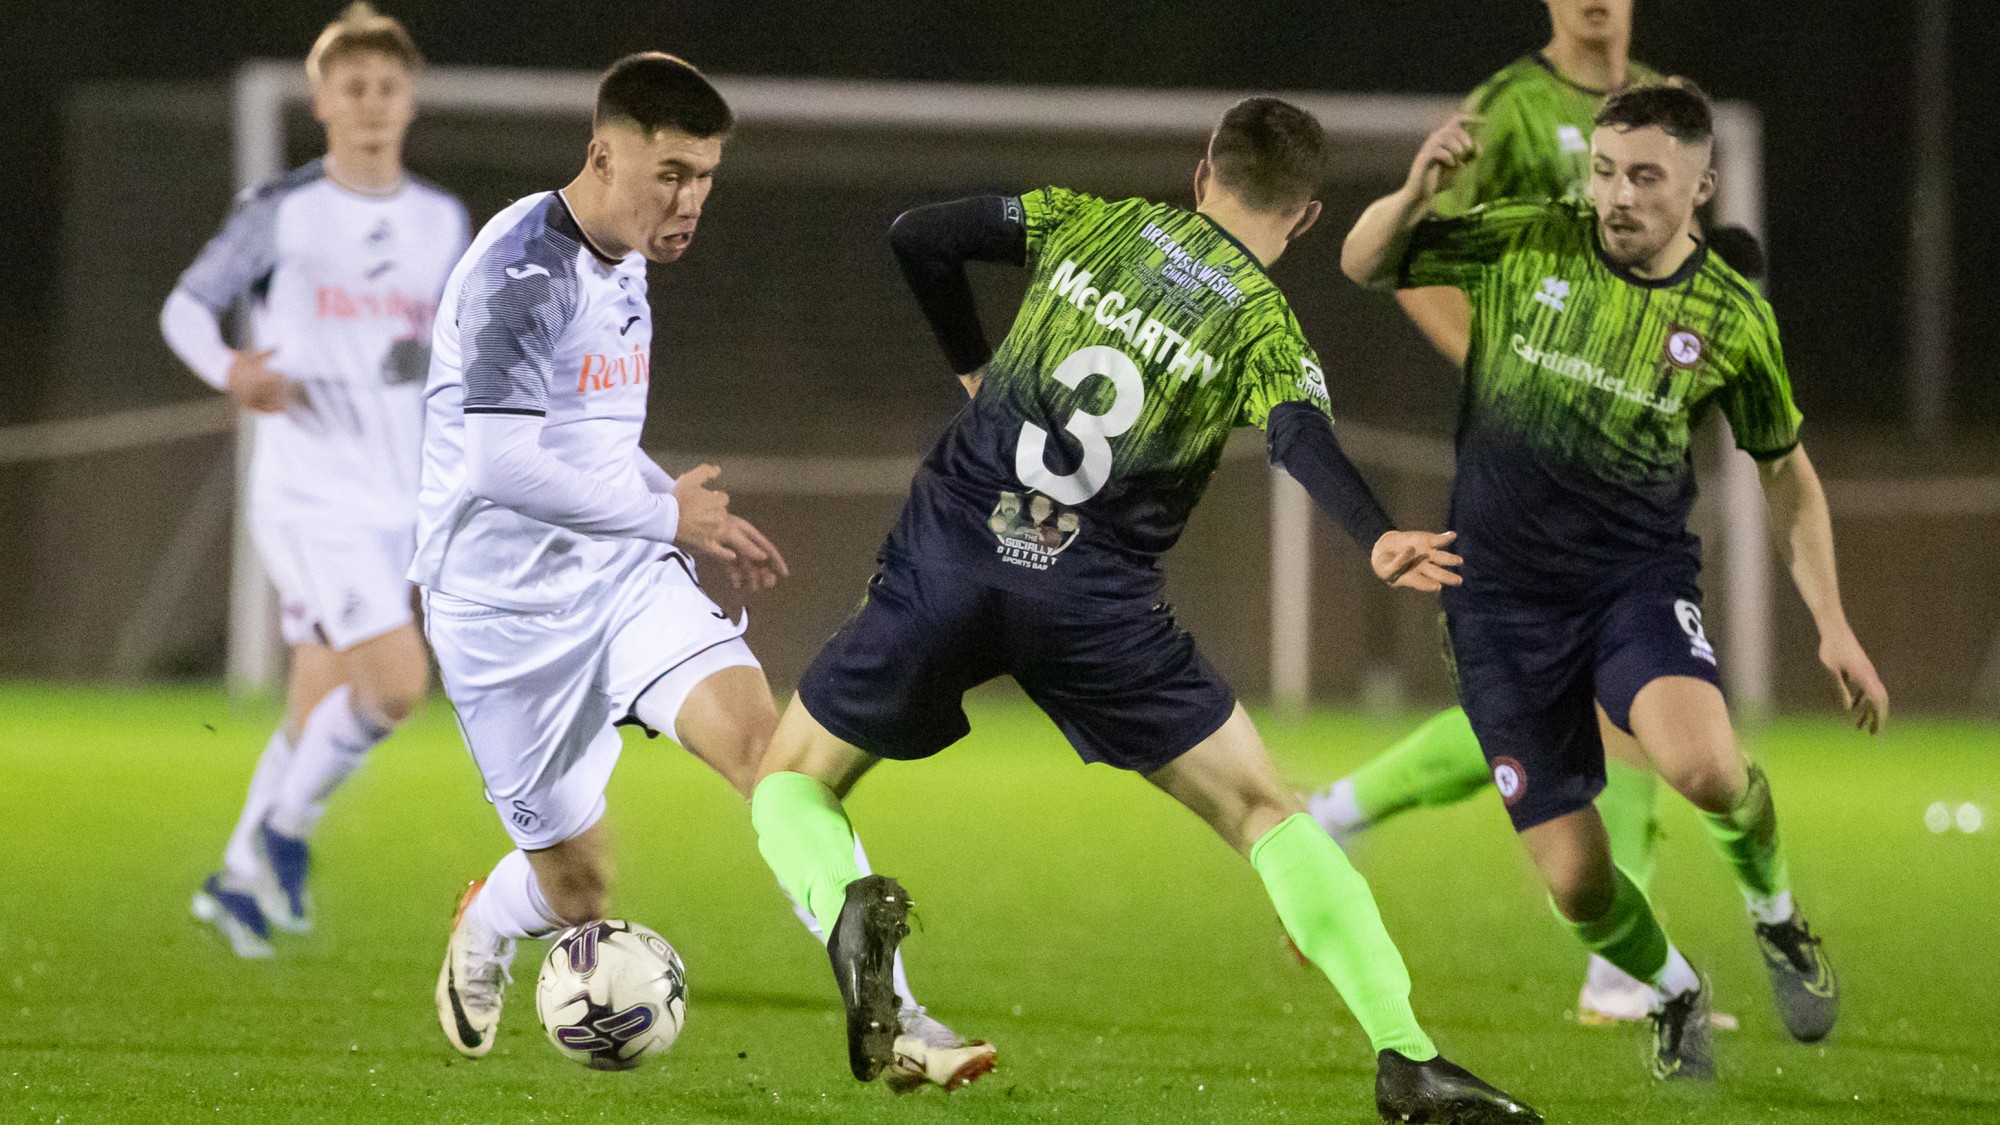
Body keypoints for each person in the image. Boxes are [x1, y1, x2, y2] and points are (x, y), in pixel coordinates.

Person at [748, 96, 1542, 1122]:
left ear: (1201, 165)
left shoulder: (1095, 221)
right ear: (1303, 219)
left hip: (949, 554)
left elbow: (920, 237)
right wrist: (1376, 533)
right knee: (1263, 810)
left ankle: (843, 907)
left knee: (793, 781)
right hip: (1091, 604)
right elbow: (1299, 438)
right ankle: (1406, 1059)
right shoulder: (1261, 322)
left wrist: (971, 364)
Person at [415, 53, 992, 1090]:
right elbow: (498, 464)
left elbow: (582, 439)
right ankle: (490, 916)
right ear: (603, 154)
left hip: (626, 581)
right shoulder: (523, 271)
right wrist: (662, 510)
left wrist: (679, 518)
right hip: (503, 615)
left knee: (774, 763)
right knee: (579, 891)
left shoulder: (626, 257)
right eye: (669, 173)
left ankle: (898, 1017)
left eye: (705, 178)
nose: (687, 201)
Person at [1340, 82, 1887, 1080]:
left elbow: (1784, 475)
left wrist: (1832, 625)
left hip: (1627, 585)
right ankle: (1673, 988)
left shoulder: (1726, 317)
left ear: (1699, 187)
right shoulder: (1528, 237)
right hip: (1493, 601)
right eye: (1602, 171)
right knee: (1578, 885)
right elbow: (1362, 260)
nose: (1616, 195)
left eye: (1643, 176)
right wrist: (1417, 191)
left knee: (1704, 770)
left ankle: (1774, 915)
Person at [1304, 0, 1694, 1027]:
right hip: (1531, 461)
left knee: (1566, 700)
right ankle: (1619, 971)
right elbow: (1408, 257)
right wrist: (1512, 370)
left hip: (1622, 448)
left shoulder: (1660, 104)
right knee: (1615, 709)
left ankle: (1338, 812)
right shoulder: (1508, 109)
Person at [165, 3, 468, 958]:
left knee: (315, 704)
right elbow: (185, 306)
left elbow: (436, 352)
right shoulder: (282, 209)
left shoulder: (439, 219)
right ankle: (285, 837)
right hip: (309, 494)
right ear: (322, 100)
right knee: (396, 685)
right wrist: (231, 370)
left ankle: (237, 878)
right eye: (355, 88)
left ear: (409, 101)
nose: (373, 104)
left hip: (398, 498)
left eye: (388, 88)